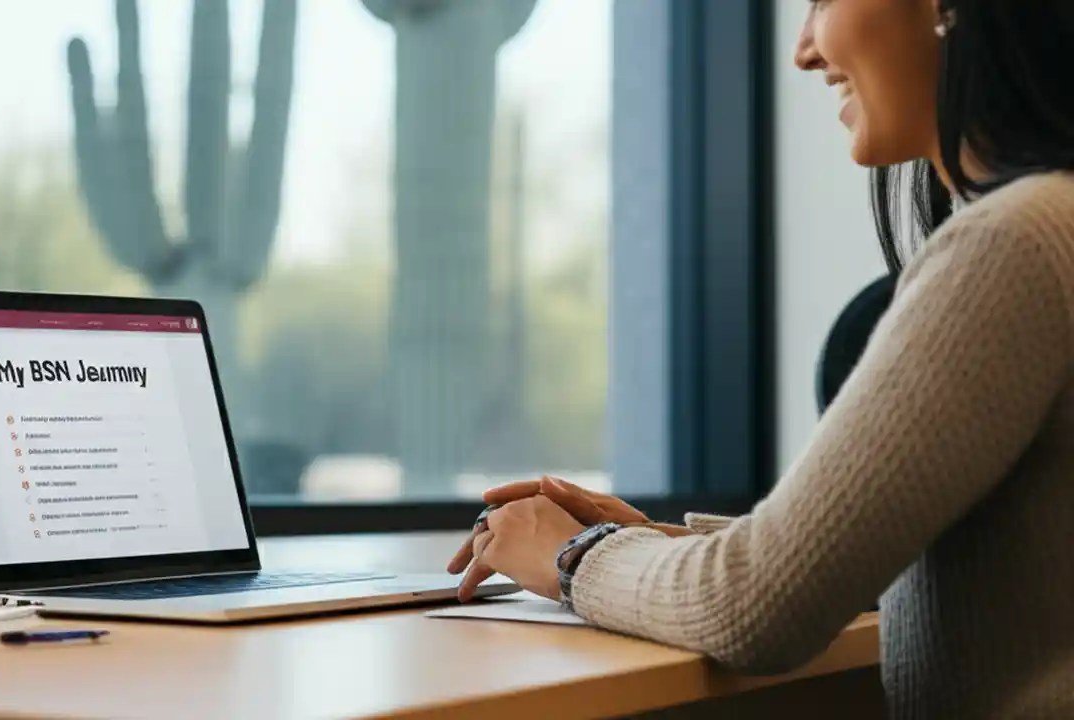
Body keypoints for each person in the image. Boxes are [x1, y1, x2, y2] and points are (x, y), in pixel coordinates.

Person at [447, 1, 1074, 717]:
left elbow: (754, 610)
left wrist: (577, 557)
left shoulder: (1017, 242)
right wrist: (655, 547)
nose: (804, 51)